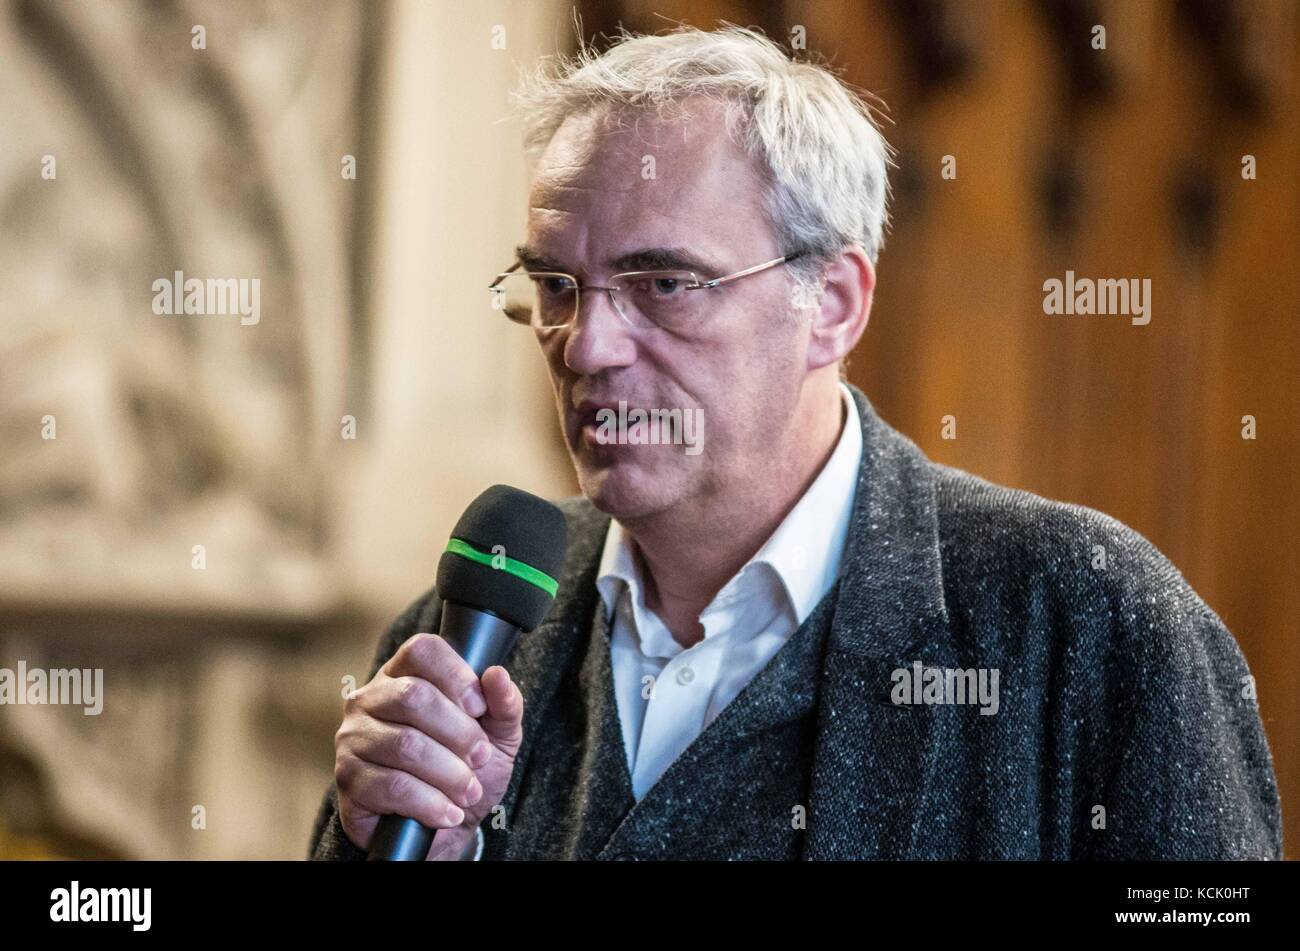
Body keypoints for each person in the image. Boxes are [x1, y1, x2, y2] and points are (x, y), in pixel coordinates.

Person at [310, 25, 1281, 861]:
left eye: (664, 284)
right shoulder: (468, 644)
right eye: (557, 287)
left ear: (835, 304)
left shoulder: (1087, 626)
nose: (587, 346)